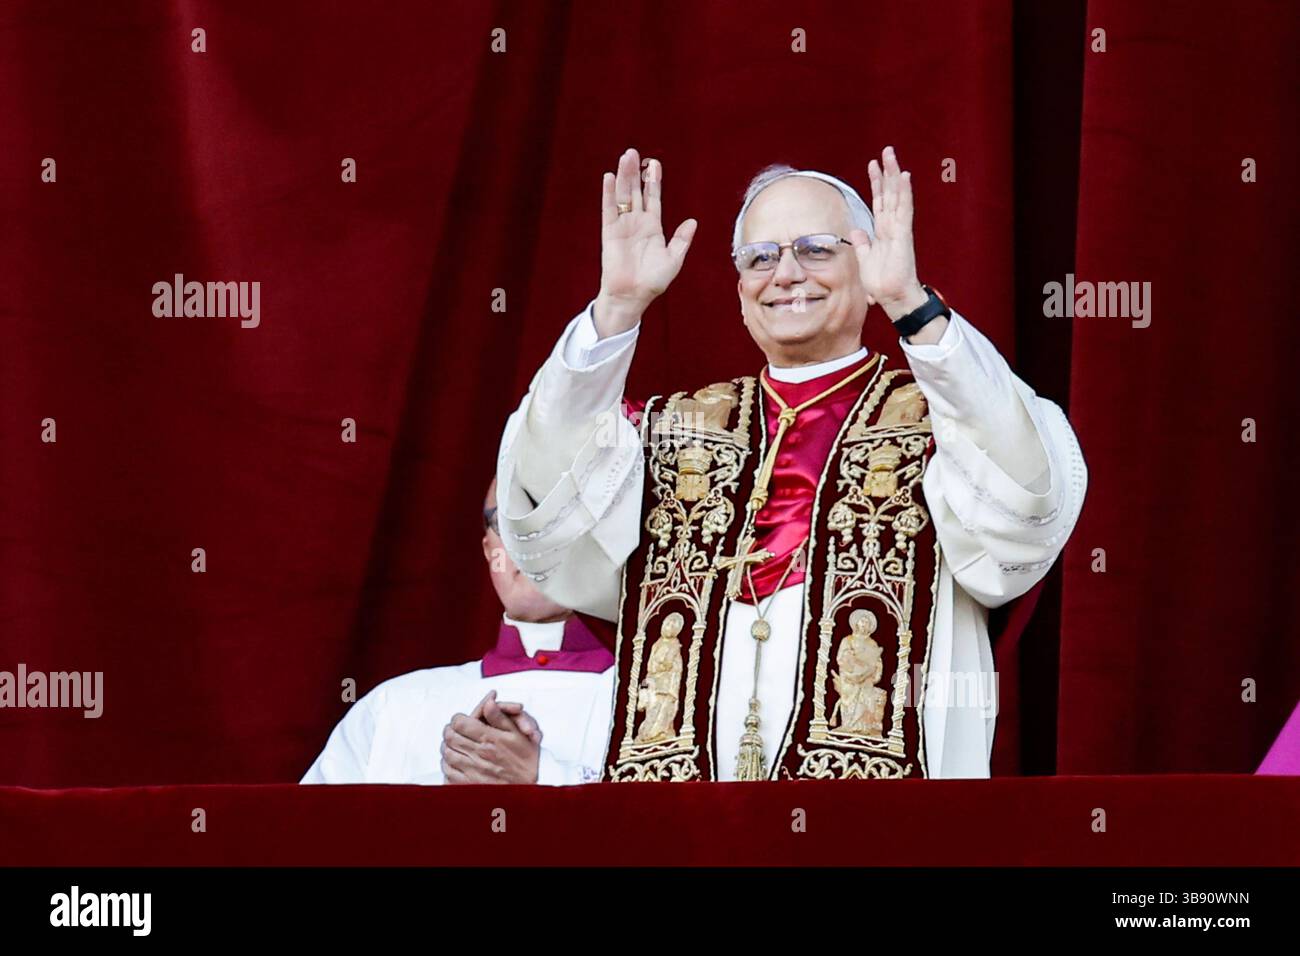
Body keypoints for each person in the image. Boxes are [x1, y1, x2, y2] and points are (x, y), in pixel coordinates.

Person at [495, 145, 1088, 782]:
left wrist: (913, 307)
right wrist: (617, 309)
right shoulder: (665, 430)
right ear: (740, 286)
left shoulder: (941, 415)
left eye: (816, 249)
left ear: (867, 265)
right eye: (761, 257)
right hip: (683, 827)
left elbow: (1026, 499)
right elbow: (545, 504)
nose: (786, 274)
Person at [301, 480, 614, 785]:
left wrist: (544, 778)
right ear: (488, 549)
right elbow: (312, 832)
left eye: (551, 515)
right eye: (505, 523)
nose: (527, 538)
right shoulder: (391, 708)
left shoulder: (652, 703)